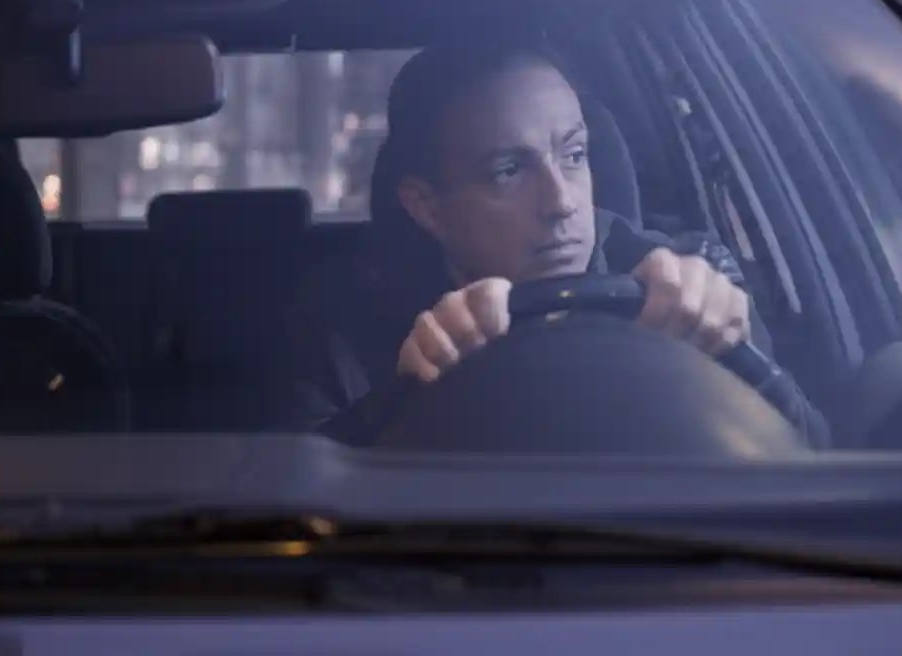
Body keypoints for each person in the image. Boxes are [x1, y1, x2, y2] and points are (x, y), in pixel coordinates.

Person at [288, 43, 829, 448]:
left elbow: (809, 459)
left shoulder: (681, 283)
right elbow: (299, 506)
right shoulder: (346, 334)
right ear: (428, 207)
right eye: (508, 170)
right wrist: (402, 397)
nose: (563, 203)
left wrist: (725, 352)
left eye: (573, 155)